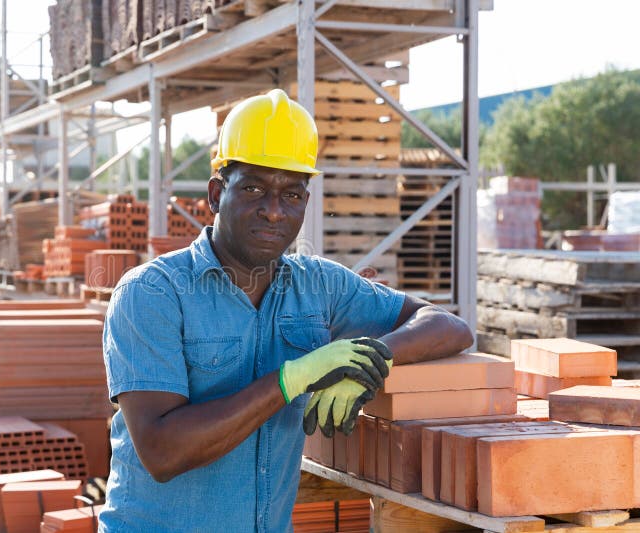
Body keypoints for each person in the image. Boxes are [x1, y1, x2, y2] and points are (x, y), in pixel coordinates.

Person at [100, 89, 473, 532]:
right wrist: (293, 378)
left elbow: (448, 326)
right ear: (217, 194)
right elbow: (162, 452)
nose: (274, 212)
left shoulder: (318, 284)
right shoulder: (153, 293)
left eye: (292, 194)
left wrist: (370, 358)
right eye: (254, 188)